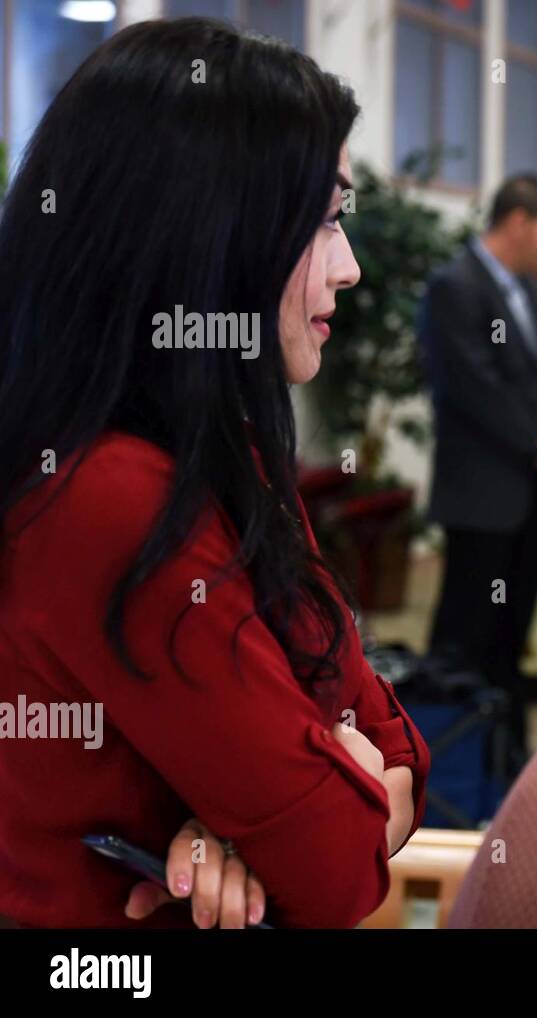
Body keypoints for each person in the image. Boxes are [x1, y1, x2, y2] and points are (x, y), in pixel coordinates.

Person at [0, 18, 430, 929]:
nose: (349, 267)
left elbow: (398, 752)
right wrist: (330, 781)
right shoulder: (107, 497)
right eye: (321, 219)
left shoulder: (222, 455)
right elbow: (340, 861)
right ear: (210, 233)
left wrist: (267, 818)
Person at [419, 173, 537, 776]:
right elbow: (471, 389)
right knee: (466, 640)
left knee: (513, 640)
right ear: (516, 222)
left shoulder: (536, 292)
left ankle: (507, 762)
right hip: (484, 501)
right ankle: (454, 768)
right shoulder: (455, 288)